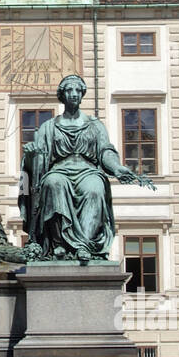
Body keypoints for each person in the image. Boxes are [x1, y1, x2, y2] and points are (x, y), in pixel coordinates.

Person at [19, 74, 155, 264]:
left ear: (82, 95)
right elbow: (36, 161)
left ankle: (83, 246)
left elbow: (105, 151)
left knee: (95, 189)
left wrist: (116, 168)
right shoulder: (48, 127)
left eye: (77, 90)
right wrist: (31, 154)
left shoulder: (95, 125)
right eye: (69, 90)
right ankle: (60, 243)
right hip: (59, 170)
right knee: (53, 183)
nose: (73, 94)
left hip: (88, 171)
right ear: (62, 95)